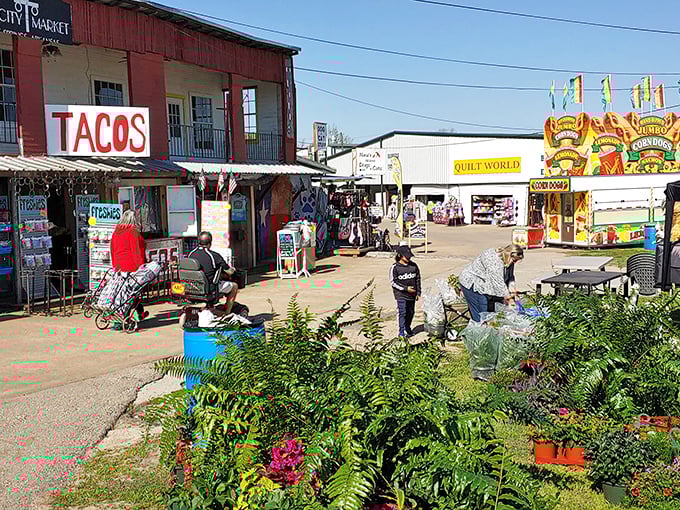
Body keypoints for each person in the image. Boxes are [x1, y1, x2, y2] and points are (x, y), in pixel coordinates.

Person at [459, 244, 524, 322]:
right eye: (514, 261)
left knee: (492, 310)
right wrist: (510, 300)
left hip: (485, 284)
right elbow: (498, 284)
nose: (515, 263)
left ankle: (490, 327)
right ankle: (479, 330)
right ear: (510, 255)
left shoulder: (508, 260)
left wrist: (513, 292)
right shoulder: (494, 261)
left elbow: (510, 277)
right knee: (482, 310)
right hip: (471, 283)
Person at [110, 210, 148, 322]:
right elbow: (136, 250)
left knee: (125, 292)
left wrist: (115, 265)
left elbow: (112, 250)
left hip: (119, 266)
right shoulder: (132, 232)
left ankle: (139, 312)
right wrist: (142, 266)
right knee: (133, 291)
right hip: (131, 266)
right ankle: (130, 314)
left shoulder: (116, 232)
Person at [188, 231, 238, 314]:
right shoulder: (213, 256)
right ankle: (227, 313)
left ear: (199, 241)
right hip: (210, 288)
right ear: (210, 242)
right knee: (234, 286)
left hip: (192, 287)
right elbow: (229, 271)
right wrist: (233, 270)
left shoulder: (191, 254)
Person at [389, 245, 421, 338]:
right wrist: (405, 289)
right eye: (406, 256)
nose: (408, 258)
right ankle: (401, 331)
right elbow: (393, 282)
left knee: (411, 312)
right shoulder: (395, 267)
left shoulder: (413, 266)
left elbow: (418, 279)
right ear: (400, 255)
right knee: (402, 312)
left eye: (409, 256)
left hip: (412, 294)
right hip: (401, 294)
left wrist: (418, 292)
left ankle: (408, 327)